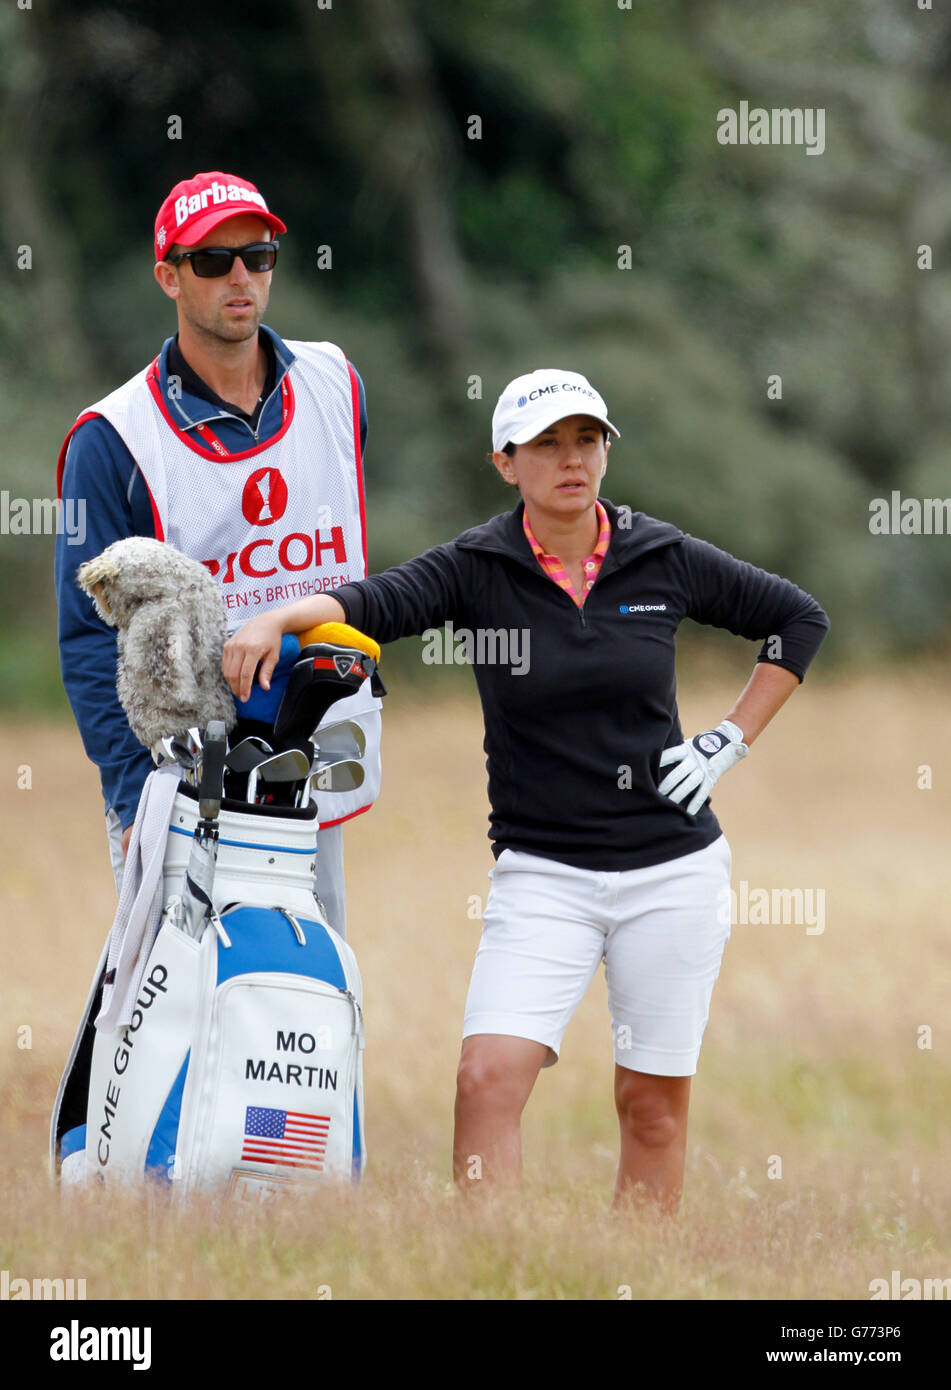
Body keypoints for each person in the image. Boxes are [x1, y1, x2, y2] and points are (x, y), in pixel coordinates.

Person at [221, 367, 830, 1212]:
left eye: (586, 439)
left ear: (606, 451)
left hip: (673, 871)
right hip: (542, 873)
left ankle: (637, 1277)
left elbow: (797, 617)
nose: (569, 459)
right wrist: (277, 618)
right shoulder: (480, 566)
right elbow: (375, 604)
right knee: (486, 1078)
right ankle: (497, 1268)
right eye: (545, 443)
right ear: (505, 463)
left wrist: (728, 740)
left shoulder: (662, 555)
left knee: (649, 1109)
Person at [54, 170, 381, 937]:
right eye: (212, 260)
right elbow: (84, 636)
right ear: (168, 275)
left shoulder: (338, 383)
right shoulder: (109, 438)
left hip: (307, 743)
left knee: (303, 988)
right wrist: (134, 793)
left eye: (258, 256)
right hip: (178, 774)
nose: (240, 276)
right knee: (181, 1006)